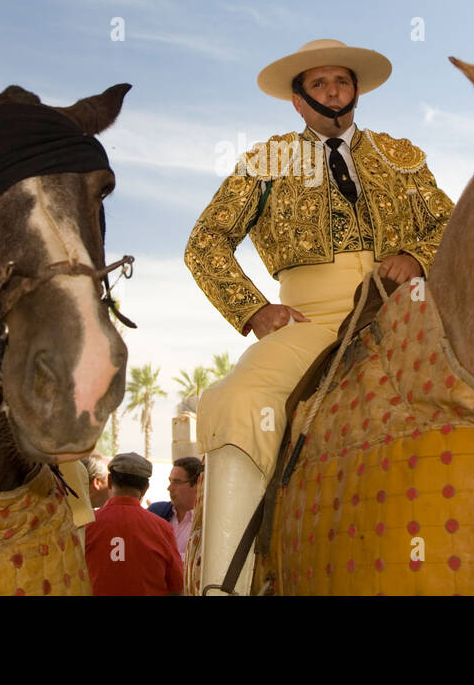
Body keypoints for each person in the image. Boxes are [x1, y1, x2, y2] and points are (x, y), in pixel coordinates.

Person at [186, 38, 455, 594]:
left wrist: (419, 257)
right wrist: (254, 309)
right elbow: (205, 242)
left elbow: (452, 224)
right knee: (240, 402)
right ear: (298, 100)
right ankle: (224, 588)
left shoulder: (401, 156)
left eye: (342, 82)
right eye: (320, 84)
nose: (334, 91)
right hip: (311, 322)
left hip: (406, 313)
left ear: (355, 92)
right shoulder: (266, 161)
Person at [84, 453, 183, 596]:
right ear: (145, 488)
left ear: (110, 481)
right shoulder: (162, 528)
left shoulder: (88, 524)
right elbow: (176, 586)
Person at [147, 456, 203, 560]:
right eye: (170, 481)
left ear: (197, 484)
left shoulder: (205, 522)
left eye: (177, 482)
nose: (169, 488)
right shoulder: (156, 512)